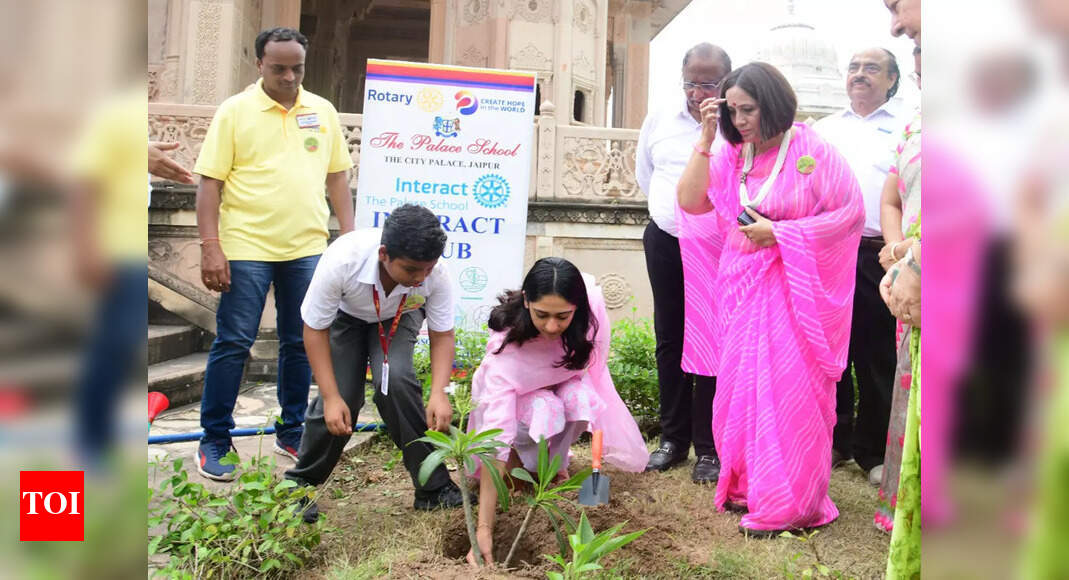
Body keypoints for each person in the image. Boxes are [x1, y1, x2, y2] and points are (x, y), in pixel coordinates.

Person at [676, 62, 864, 536]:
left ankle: (791, 504)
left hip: (794, 294)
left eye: (749, 110)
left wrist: (780, 233)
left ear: (774, 104)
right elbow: (690, 200)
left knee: (787, 392)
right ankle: (751, 486)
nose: (740, 120)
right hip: (741, 286)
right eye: (733, 111)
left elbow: (849, 214)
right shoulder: (734, 154)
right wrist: (705, 137)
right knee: (743, 387)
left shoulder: (812, 151)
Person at [192, 27, 355, 481]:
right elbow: (210, 183)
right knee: (234, 342)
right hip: (245, 246)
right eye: (278, 67)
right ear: (259, 64)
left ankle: (291, 429)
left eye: (296, 68)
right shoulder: (235, 112)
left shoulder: (320, 111)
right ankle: (215, 439)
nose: (288, 76)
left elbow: (337, 177)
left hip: (306, 247)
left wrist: (349, 237)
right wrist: (211, 246)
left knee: (301, 341)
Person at [465, 257, 648, 565]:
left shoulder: (589, 318)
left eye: (562, 316)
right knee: (544, 408)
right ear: (526, 301)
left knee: (584, 400)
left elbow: (594, 374)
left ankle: (554, 467)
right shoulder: (506, 353)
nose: (552, 326)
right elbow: (496, 435)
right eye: (542, 315)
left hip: (560, 384)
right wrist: (484, 528)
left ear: (577, 307)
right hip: (523, 398)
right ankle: (526, 467)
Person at [285, 204, 462, 517]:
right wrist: (329, 397)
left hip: (401, 314)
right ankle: (299, 485)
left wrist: (439, 393)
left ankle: (433, 488)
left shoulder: (434, 275)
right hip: (346, 317)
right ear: (384, 254)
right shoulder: (343, 260)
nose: (420, 278)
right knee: (343, 400)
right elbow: (314, 330)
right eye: (410, 270)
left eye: (428, 269)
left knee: (397, 382)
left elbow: (442, 335)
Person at [635, 43, 731, 483]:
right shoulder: (659, 119)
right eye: (691, 81)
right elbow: (646, 175)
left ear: (727, 81)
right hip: (666, 239)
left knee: (711, 339)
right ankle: (673, 439)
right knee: (669, 336)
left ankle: (709, 447)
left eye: (709, 83)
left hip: (717, 246)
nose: (698, 91)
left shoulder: (737, 123)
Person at [813, 47, 908, 485]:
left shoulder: (906, 129)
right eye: (853, 67)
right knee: (832, 349)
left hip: (878, 251)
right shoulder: (824, 131)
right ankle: (834, 441)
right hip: (827, 252)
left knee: (877, 354)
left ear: (892, 79)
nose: (860, 75)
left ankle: (872, 450)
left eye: (872, 68)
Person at [873, 44, 922, 535]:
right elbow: (891, 197)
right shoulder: (914, 123)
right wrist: (897, 253)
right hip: (909, 279)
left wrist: (919, 253)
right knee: (908, 389)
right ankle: (903, 510)